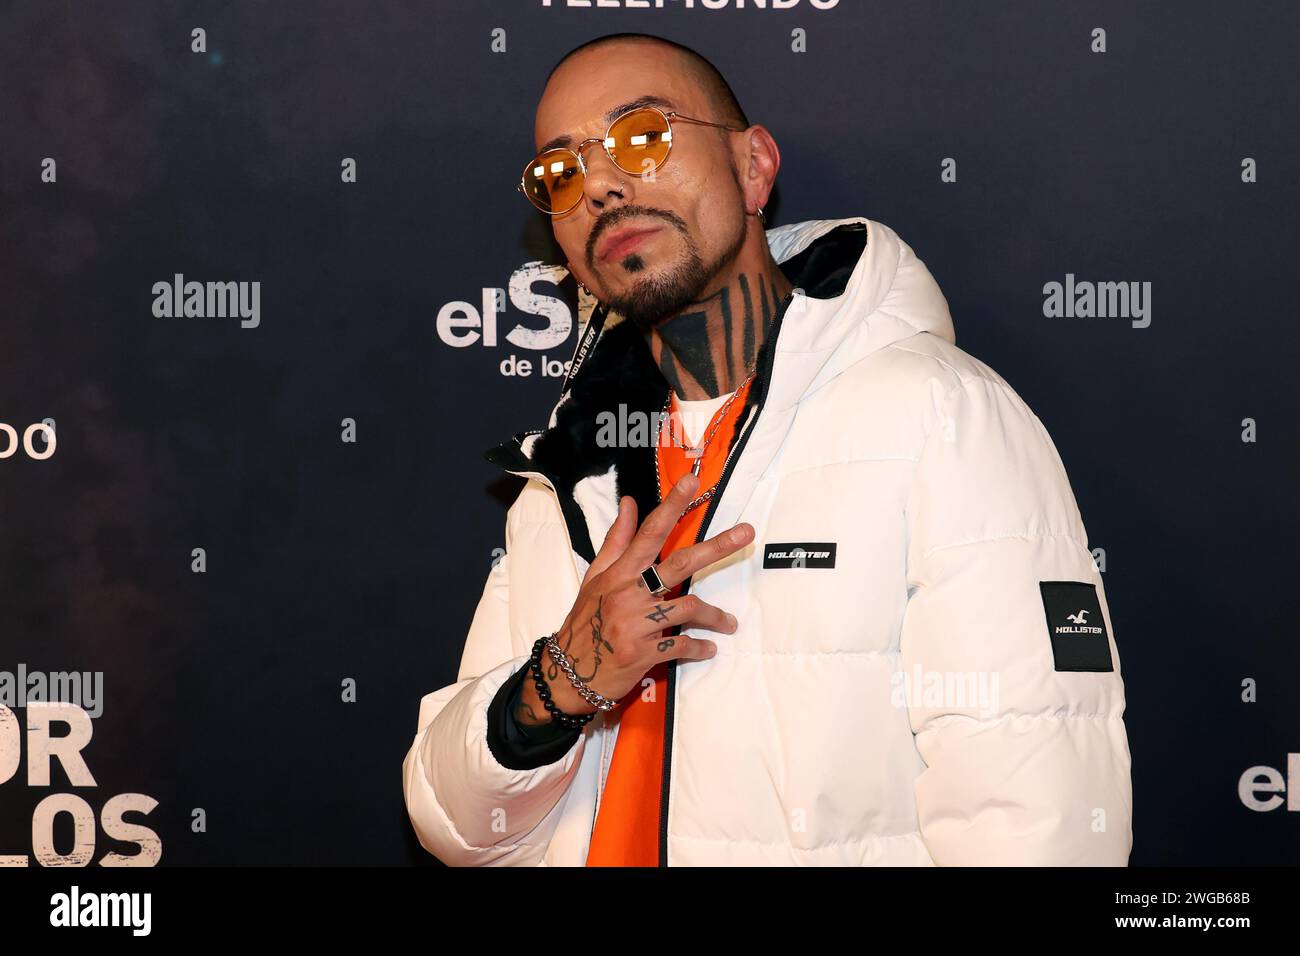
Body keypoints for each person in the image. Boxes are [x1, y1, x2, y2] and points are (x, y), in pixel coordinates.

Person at [402, 32, 1133, 866]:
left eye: (642, 135)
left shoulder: (941, 416)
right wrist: (558, 685)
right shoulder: (569, 475)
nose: (599, 183)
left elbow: (1038, 824)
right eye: (560, 174)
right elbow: (454, 826)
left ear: (754, 169)